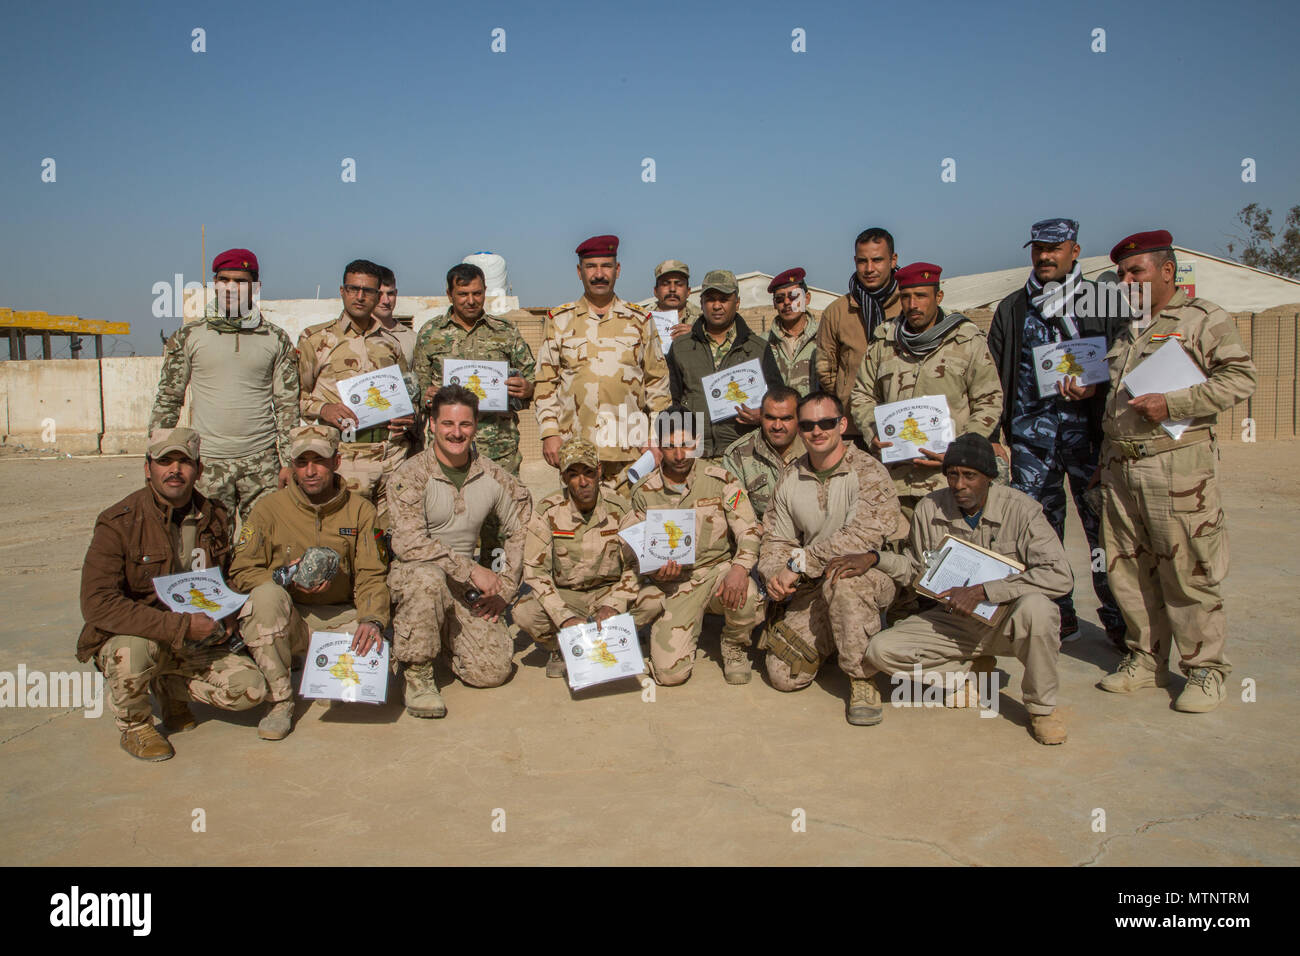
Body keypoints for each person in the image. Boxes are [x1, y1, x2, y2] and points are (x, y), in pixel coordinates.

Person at [1096, 231, 1257, 713]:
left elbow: (1240, 378)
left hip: (1176, 467)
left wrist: (1174, 402)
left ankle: (1206, 670)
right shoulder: (1128, 331)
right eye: (1122, 274)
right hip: (1122, 469)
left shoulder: (1202, 319)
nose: (1127, 281)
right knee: (1129, 569)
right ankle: (1145, 659)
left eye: (1136, 272)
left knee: (1188, 570)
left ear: (1167, 271)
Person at [866, 434, 1074, 745]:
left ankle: (1042, 708)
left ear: (989, 478)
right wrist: (875, 558)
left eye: (970, 476)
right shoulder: (929, 508)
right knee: (880, 651)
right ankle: (968, 671)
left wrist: (986, 591)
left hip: (1008, 620)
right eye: (952, 474)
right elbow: (916, 568)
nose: (959, 484)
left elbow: (1059, 575)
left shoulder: (1022, 510)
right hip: (956, 620)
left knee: (1039, 609)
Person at [77, 428, 269, 761]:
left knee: (250, 691)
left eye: (185, 461)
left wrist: (227, 614)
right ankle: (135, 726)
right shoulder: (118, 523)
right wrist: (178, 627)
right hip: (143, 635)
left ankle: (168, 684)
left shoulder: (216, 516)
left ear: (200, 469)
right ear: (147, 466)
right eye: (165, 461)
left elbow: (227, 577)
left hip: (199, 638)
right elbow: (97, 604)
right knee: (133, 653)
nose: (175, 470)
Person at [987, 218, 1127, 645]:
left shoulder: (1102, 303)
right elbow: (993, 376)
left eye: (1055, 248)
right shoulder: (1012, 308)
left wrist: (1097, 387)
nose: (1045, 256)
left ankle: (1120, 621)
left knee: (1103, 535)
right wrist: (996, 435)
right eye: (1038, 249)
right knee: (1038, 535)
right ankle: (1057, 614)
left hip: (1089, 441)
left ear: (1075, 250)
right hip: (1031, 443)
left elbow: (1125, 361)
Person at [228, 425, 390, 740]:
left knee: (350, 689)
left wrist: (372, 620)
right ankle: (280, 701)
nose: (311, 471)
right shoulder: (268, 509)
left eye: (320, 460)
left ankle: (308, 665)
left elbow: (372, 573)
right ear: (291, 467)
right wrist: (282, 580)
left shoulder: (360, 510)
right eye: (302, 463)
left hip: (340, 617)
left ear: (336, 462)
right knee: (264, 597)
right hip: (289, 618)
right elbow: (241, 569)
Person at [757, 392, 901, 725]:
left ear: (842, 424)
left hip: (866, 576)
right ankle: (841, 638)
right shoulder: (792, 475)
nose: (817, 431)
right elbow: (776, 536)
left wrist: (797, 565)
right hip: (813, 586)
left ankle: (862, 678)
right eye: (808, 424)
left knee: (845, 582)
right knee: (783, 676)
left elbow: (860, 539)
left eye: (826, 423)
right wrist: (775, 574)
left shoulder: (867, 471)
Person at [388, 385, 532, 717]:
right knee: (427, 579)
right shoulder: (410, 476)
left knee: (492, 672)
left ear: (475, 427)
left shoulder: (492, 473)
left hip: (463, 589)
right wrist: (471, 569)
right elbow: (409, 544)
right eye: (448, 424)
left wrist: (506, 589)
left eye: (465, 425)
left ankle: (445, 641)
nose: (456, 433)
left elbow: (521, 523)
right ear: (433, 426)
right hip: (417, 577)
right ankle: (417, 674)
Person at [849, 262, 1004, 531]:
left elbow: (989, 399)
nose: (912, 305)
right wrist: (871, 432)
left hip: (948, 480)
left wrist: (961, 452)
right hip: (895, 480)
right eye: (906, 297)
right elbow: (862, 394)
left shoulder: (966, 340)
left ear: (938, 297)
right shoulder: (884, 341)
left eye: (921, 296)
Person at [619, 407, 764, 686]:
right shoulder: (643, 492)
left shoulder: (720, 481)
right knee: (669, 675)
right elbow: (630, 546)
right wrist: (652, 570)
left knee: (747, 592)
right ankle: (668, 631)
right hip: (675, 585)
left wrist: (739, 568)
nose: (680, 454)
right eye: (671, 446)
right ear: (659, 446)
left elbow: (747, 529)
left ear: (696, 442)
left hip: (716, 573)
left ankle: (734, 643)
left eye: (686, 444)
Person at [149, 248, 298, 521]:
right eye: (223, 280)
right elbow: (168, 399)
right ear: (214, 284)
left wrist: (289, 462)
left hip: (262, 462)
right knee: (210, 546)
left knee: (265, 544)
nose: (231, 288)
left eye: (240, 281)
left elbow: (287, 404)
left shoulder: (275, 339)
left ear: (255, 287)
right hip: (208, 463)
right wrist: (158, 457)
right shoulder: (188, 336)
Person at [412, 262, 536, 565]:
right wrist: (425, 396)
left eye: (477, 293)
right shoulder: (431, 334)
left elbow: (533, 380)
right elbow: (416, 387)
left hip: (499, 445)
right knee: (448, 517)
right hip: (449, 446)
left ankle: (498, 583)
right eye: (463, 293)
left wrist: (526, 388)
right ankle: (452, 580)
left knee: (501, 519)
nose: (471, 300)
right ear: (449, 294)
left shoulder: (505, 333)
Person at [513, 438, 661, 678]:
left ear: (599, 471)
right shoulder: (548, 511)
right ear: (563, 477)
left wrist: (614, 604)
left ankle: (617, 639)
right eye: (573, 474)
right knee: (524, 613)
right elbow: (535, 573)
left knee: (654, 599)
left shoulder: (620, 507)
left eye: (589, 472)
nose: (583, 482)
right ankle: (560, 648)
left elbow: (635, 565)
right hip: (568, 595)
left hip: (608, 591)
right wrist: (565, 618)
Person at [535, 235, 670, 487]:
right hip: (576, 452)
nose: (599, 274)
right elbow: (545, 382)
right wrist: (550, 432)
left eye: (606, 266)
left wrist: (655, 437)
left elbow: (657, 384)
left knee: (632, 524)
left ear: (617, 270)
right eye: (591, 266)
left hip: (630, 452)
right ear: (579, 271)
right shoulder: (559, 320)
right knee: (580, 524)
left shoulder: (640, 320)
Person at [298, 259, 415, 526]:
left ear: (377, 295)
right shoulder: (316, 340)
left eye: (368, 291)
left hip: (391, 456)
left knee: (389, 538)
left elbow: (408, 394)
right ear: (342, 291)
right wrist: (324, 409)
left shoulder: (391, 343)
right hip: (345, 456)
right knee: (345, 534)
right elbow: (296, 398)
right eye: (353, 289)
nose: (360, 296)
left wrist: (408, 417)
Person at [666, 269, 784, 459]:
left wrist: (762, 415)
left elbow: (778, 401)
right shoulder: (681, 348)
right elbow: (671, 400)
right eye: (711, 299)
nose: (717, 306)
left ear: (737, 303)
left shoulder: (758, 348)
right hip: (695, 454)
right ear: (702, 304)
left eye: (724, 299)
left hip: (745, 454)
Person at [815, 228, 902, 444]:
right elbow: (826, 368)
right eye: (863, 261)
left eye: (877, 260)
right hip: (853, 429)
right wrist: (846, 394)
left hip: (902, 422)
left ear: (893, 260)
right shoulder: (838, 311)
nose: (869, 268)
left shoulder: (908, 306)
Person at [720, 385, 803, 520]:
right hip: (761, 535)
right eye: (770, 418)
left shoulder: (815, 449)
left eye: (786, 418)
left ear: (800, 418)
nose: (777, 426)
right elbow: (734, 506)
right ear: (760, 417)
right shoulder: (737, 455)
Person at [765, 268, 820, 396]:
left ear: (807, 298)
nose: (787, 302)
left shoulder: (824, 336)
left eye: (793, 296)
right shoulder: (763, 342)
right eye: (780, 298)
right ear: (774, 304)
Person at [373, 265, 417, 365]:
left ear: (396, 293)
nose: (386, 301)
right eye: (380, 294)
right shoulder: (357, 335)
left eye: (390, 294)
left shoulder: (412, 339)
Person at [651, 259, 700, 342]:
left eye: (679, 284)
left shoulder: (702, 319)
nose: (672, 289)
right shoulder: (642, 318)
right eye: (665, 284)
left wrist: (698, 335)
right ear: (656, 291)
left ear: (688, 291)